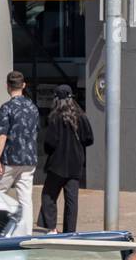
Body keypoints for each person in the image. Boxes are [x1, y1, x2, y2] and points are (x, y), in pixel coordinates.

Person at [38, 85, 94, 234]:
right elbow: (89, 139)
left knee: (48, 196)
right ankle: (70, 231)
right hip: (75, 165)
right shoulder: (81, 116)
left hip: (57, 165)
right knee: (71, 201)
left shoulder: (55, 117)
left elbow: (50, 143)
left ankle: (51, 228)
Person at [0, 71, 38, 235]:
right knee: (25, 198)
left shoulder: (7, 108)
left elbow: (2, 134)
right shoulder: (33, 107)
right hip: (29, 159)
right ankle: (27, 233)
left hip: (10, 159)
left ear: (7, 86)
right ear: (23, 85)